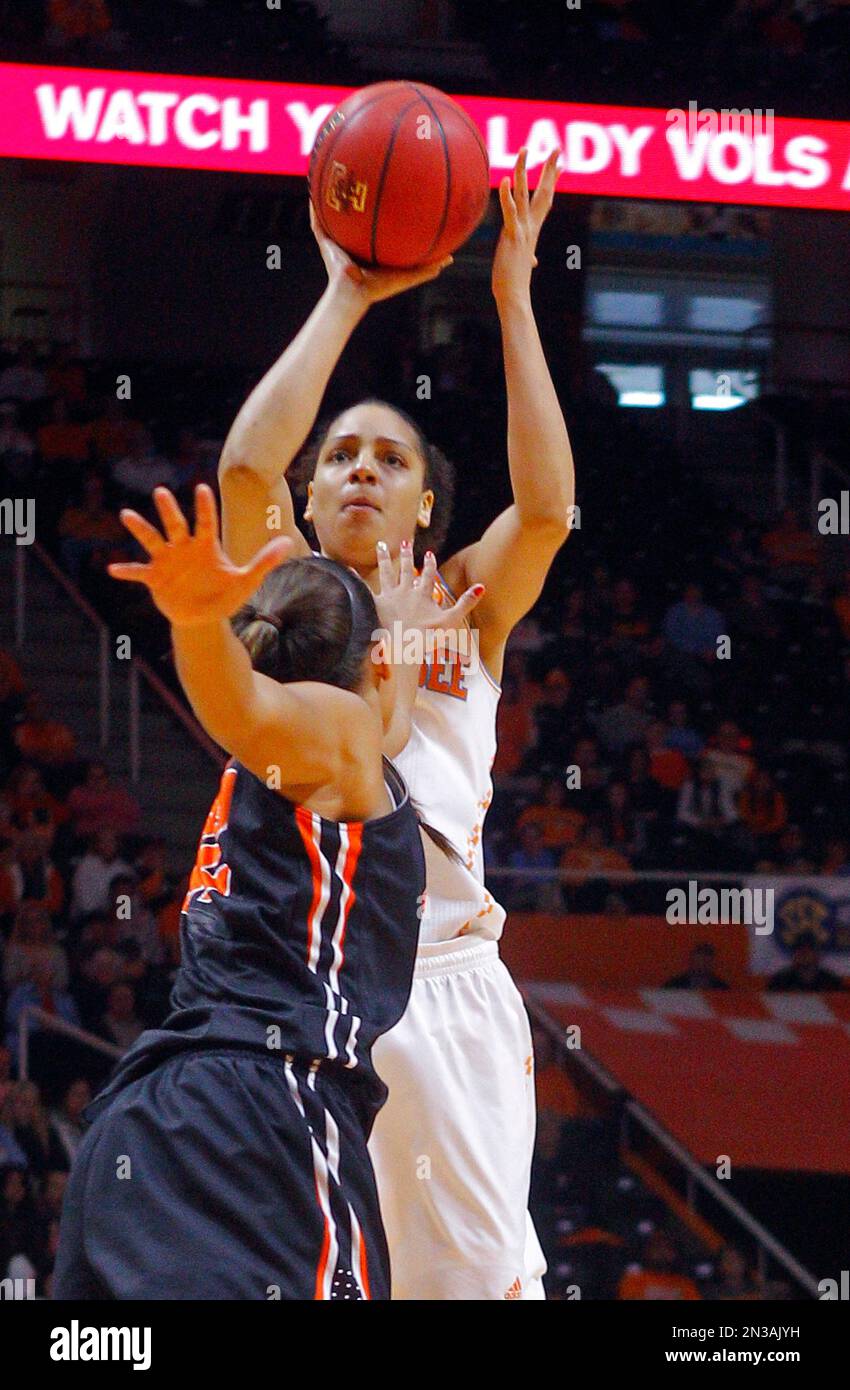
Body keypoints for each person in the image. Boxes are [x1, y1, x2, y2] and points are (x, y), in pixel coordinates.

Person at [216, 147, 573, 1299]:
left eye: (389, 456)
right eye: (339, 458)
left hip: (448, 983)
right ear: (311, 500)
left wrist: (512, 296)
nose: (360, 469)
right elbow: (241, 463)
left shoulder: (465, 599)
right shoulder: (290, 599)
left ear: (425, 502)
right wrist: (346, 292)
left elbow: (551, 508)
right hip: (309, 985)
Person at [54, 485, 481, 1300]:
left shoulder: (315, 763)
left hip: (151, 1122)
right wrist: (192, 620)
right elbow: (242, 704)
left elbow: (342, 717)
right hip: (266, 1116)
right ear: (377, 663)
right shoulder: (333, 740)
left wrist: (393, 634)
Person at [664, 943, 729, 990]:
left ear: (712, 964)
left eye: (705, 963)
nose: (701, 967)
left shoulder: (722, 988)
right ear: (691, 962)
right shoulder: (674, 985)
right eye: (698, 962)